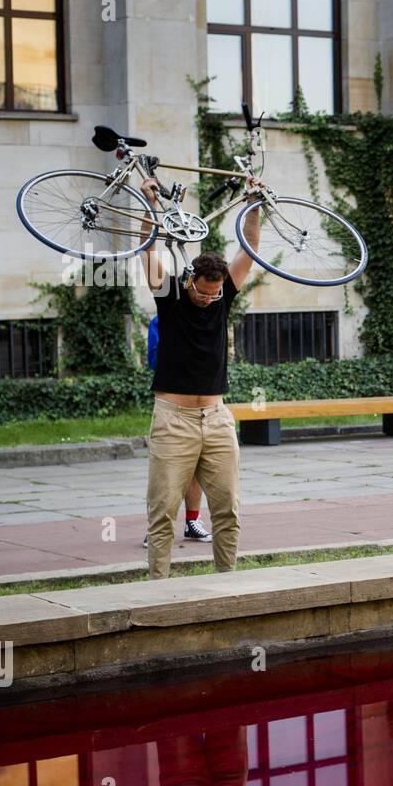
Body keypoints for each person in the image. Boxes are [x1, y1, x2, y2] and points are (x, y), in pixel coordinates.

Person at [140, 175, 260, 580]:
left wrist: (254, 205)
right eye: (203, 292)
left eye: (215, 293)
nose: (209, 299)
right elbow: (148, 250)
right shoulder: (170, 296)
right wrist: (150, 208)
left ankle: (227, 583)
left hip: (217, 418)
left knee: (227, 508)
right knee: (163, 513)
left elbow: (251, 249)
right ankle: (157, 589)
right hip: (173, 418)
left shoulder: (223, 296)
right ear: (190, 279)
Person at [142, 313, 212, 547]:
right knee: (166, 472)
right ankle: (156, 528)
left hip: (203, 406)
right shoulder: (160, 320)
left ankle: (192, 522)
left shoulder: (208, 317)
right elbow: (154, 360)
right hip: (172, 407)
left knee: (196, 466)